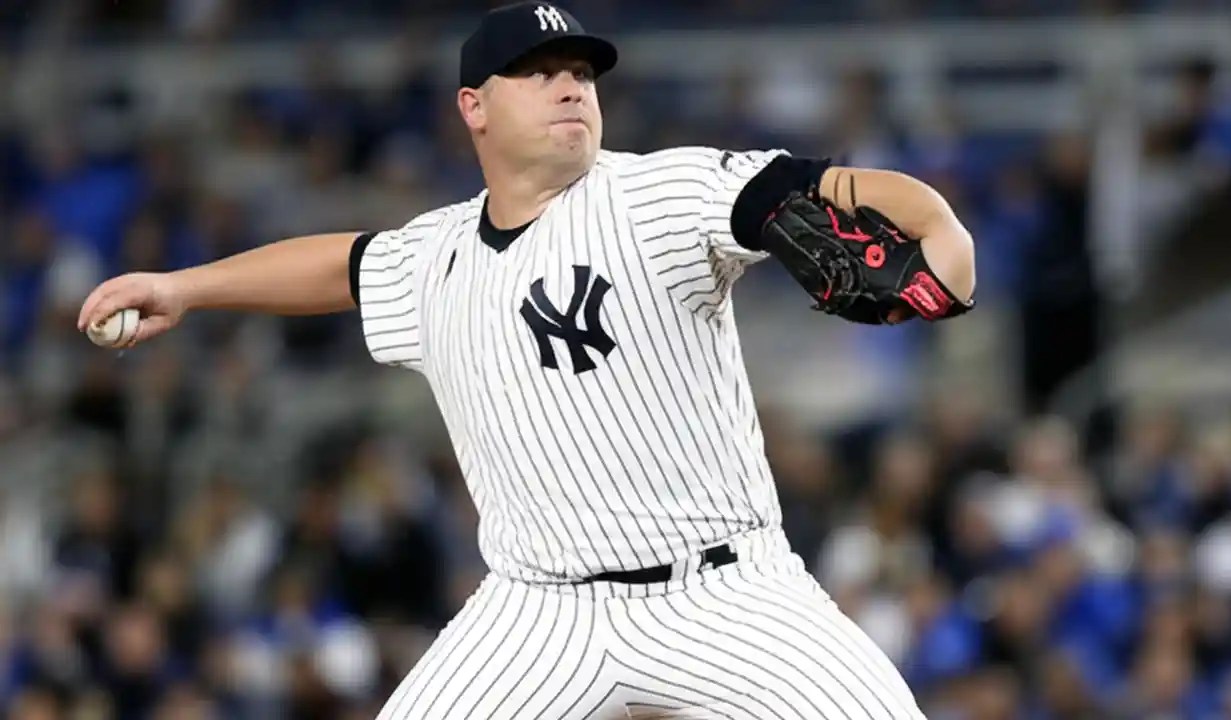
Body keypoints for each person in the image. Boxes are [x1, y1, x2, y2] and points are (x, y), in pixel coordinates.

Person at [78, 3, 975, 717]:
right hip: (538, 612)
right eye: (539, 73)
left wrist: (922, 208)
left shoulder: (657, 193)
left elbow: (793, 188)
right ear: (473, 106)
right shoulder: (434, 258)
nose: (570, 88)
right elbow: (339, 264)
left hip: (727, 592)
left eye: (581, 73)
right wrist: (185, 286)